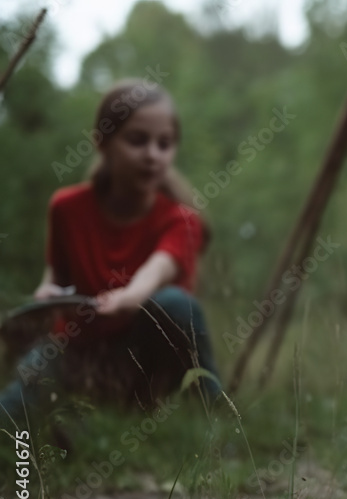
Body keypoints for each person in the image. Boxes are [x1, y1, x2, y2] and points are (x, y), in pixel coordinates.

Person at [0, 79, 221, 433]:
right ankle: (74, 422)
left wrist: (129, 297)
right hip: (77, 350)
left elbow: (160, 267)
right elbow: (55, 277)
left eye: (164, 144)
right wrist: (48, 295)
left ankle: (215, 418)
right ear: (102, 143)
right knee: (17, 401)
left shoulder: (182, 221)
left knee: (176, 304)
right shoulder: (66, 208)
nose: (152, 154)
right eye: (137, 140)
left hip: (141, 362)